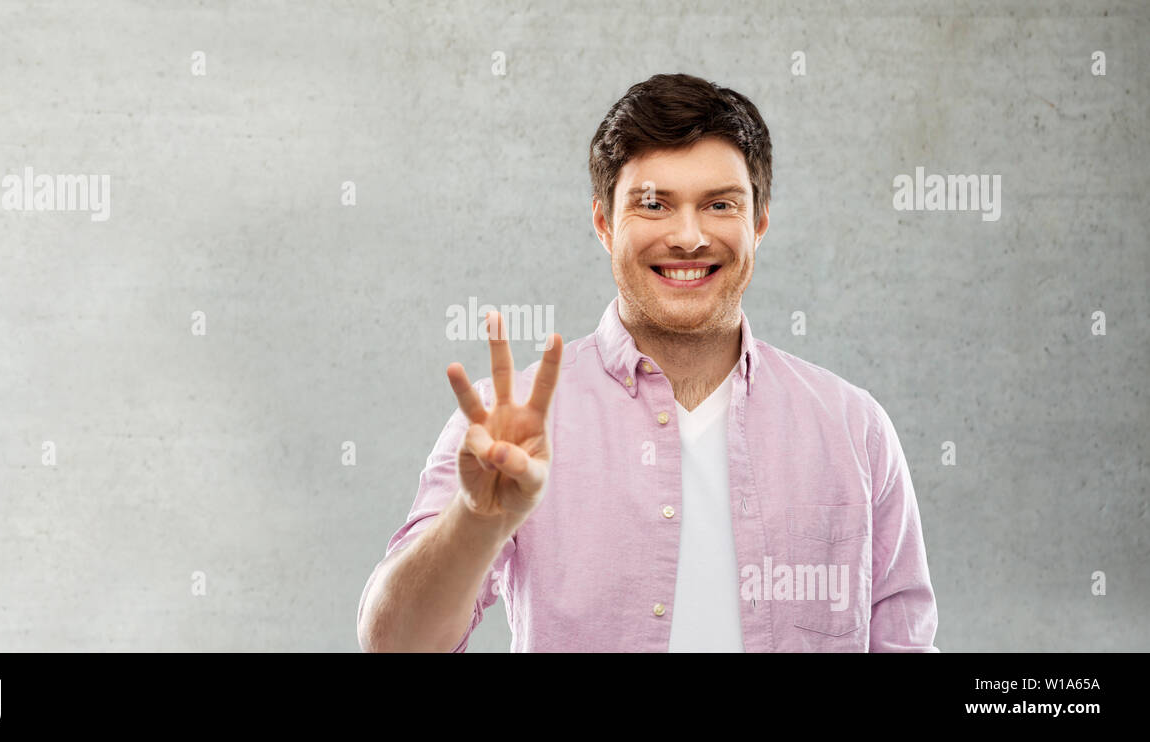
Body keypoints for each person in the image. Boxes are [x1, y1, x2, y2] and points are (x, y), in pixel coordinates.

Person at [357, 72, 938, 652]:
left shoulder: (856, 429)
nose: (688, 237)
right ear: (604, 224)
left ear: (758, 223)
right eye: (654, 204)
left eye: (719, 204)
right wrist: (476, 520)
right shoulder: (504, 425)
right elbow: (394, 644)